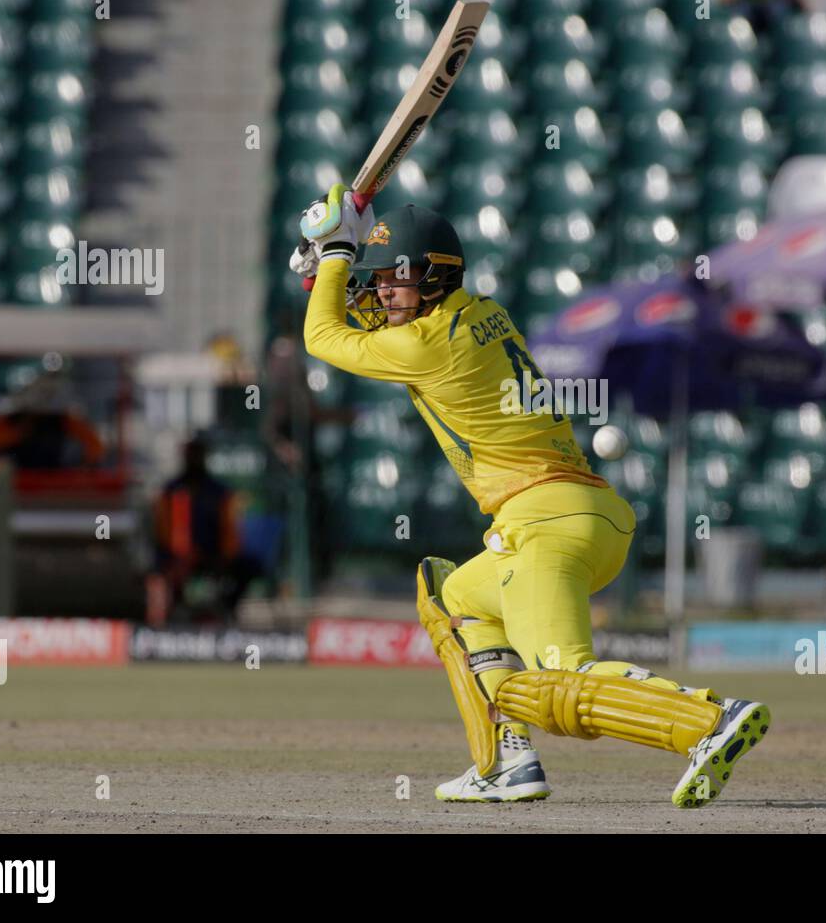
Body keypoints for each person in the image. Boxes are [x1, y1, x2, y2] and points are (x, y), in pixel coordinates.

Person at [295, 185, 770, 807]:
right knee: (456, 599)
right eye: (376, 279)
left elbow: (323, 339)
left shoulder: (426, 345)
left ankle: (709, 721)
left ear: (433, 279)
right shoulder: (478, 312)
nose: (382, 292)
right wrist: (330, 263)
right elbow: (354, 320)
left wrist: (333, 255)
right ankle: (504, 763)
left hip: (544, 526)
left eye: (394, 279)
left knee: (556, 681)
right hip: (588, 518)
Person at [151, 436, 257, 624]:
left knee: (248, 567)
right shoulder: (172, 491)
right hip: (177, 556)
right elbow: (163, 533)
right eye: (191, 455)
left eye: (197, 455)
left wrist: (223, 557)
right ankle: (169, 617)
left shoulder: (219, 492)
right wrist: (174, 557)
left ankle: (226, 609)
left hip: (212, 555)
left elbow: (230, 533)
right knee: (161, 575)